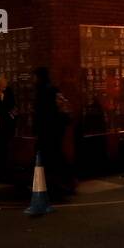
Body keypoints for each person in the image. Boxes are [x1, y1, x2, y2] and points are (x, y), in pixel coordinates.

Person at [33, 66, 72, 196]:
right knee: (55, 154)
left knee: (52, 154)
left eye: (35, 76)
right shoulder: (51, 89)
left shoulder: (44, 90)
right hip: (55, 127)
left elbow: (41, 112)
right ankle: (61, 182)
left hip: (48, 128)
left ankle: (58, 183)